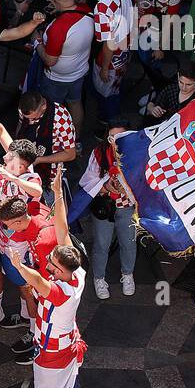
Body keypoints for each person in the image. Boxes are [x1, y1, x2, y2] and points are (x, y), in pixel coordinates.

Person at [6, 226, 87, 388]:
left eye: (52, 262)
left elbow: (38, 281)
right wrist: (59, 194)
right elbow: (63, 232)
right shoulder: (78, 274)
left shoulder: (60, 291)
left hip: (53, 354)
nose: (48, 264)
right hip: (61, 347)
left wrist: (19, 267)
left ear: (62, 269)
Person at [84, 120, 138, 300]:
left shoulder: (137, 153)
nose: (115, 141)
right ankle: (99, 278)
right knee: (101, 245)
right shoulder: (99, 153)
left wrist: (129, 188)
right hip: (104, 207)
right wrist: (106, 187)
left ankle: (128, 275)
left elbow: (144, 180)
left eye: (120, 137)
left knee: (129, 243)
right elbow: (87, 181)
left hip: (127, 207)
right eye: (111, 137)